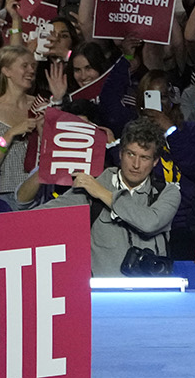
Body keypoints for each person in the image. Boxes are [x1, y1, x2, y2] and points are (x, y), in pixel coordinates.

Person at [76, 117, 181, 276]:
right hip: (105, 295)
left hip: (152, 295)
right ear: (120, 154)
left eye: (144, 157)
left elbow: (149, 223)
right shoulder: (92, 186)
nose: (136, 164)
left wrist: (101, 193)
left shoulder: (168, 192)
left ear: (155, 161)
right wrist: (41, 172)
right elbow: (34, 213)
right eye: (131, 154)